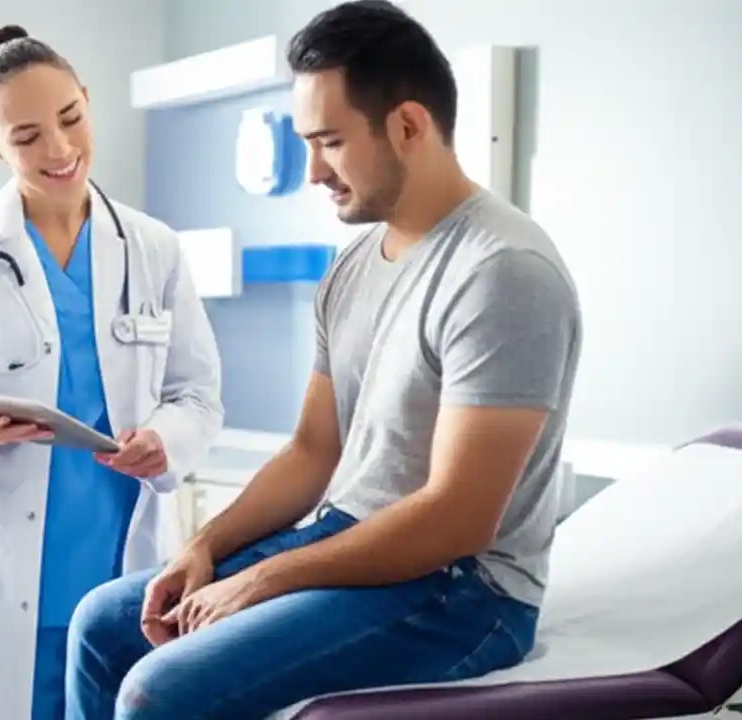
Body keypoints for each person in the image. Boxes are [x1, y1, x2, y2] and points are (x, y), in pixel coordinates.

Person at [64, 2, 583, 718]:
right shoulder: (353, 267)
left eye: (330, 142)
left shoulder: (503, 272)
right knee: (103, 626)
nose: (312, 171)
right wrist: (206, 550)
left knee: (162, 690)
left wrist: (267, 578)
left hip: (463, 591)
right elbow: (314, 451)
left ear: (407, 125)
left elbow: (460, 519)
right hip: (351, 537)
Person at [0, 24, 224, 720]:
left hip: (119, 558)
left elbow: (197, 392)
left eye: (71, 118)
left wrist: (166, 437)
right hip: (3, 563)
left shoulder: (153, 248)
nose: (60, 149)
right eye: (27, 136)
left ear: (88, 102)